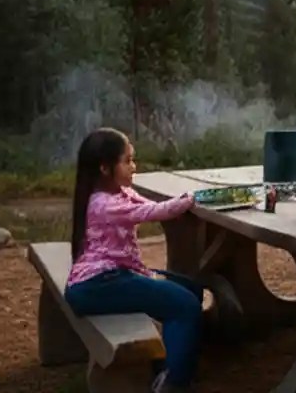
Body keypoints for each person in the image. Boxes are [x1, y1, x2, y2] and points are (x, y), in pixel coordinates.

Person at [64, 127, 201, 393]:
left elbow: (148, 203)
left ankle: (166, 365)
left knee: (191, 289)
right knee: (184, 306)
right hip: (97, 286)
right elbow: (152, 210)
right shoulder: (103, 204)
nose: (134, 166)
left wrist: (182, 202)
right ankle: (174, 383)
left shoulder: (120, 193)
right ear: (105, 168)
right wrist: (191, 200)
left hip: (113, 277)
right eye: (127, 160)